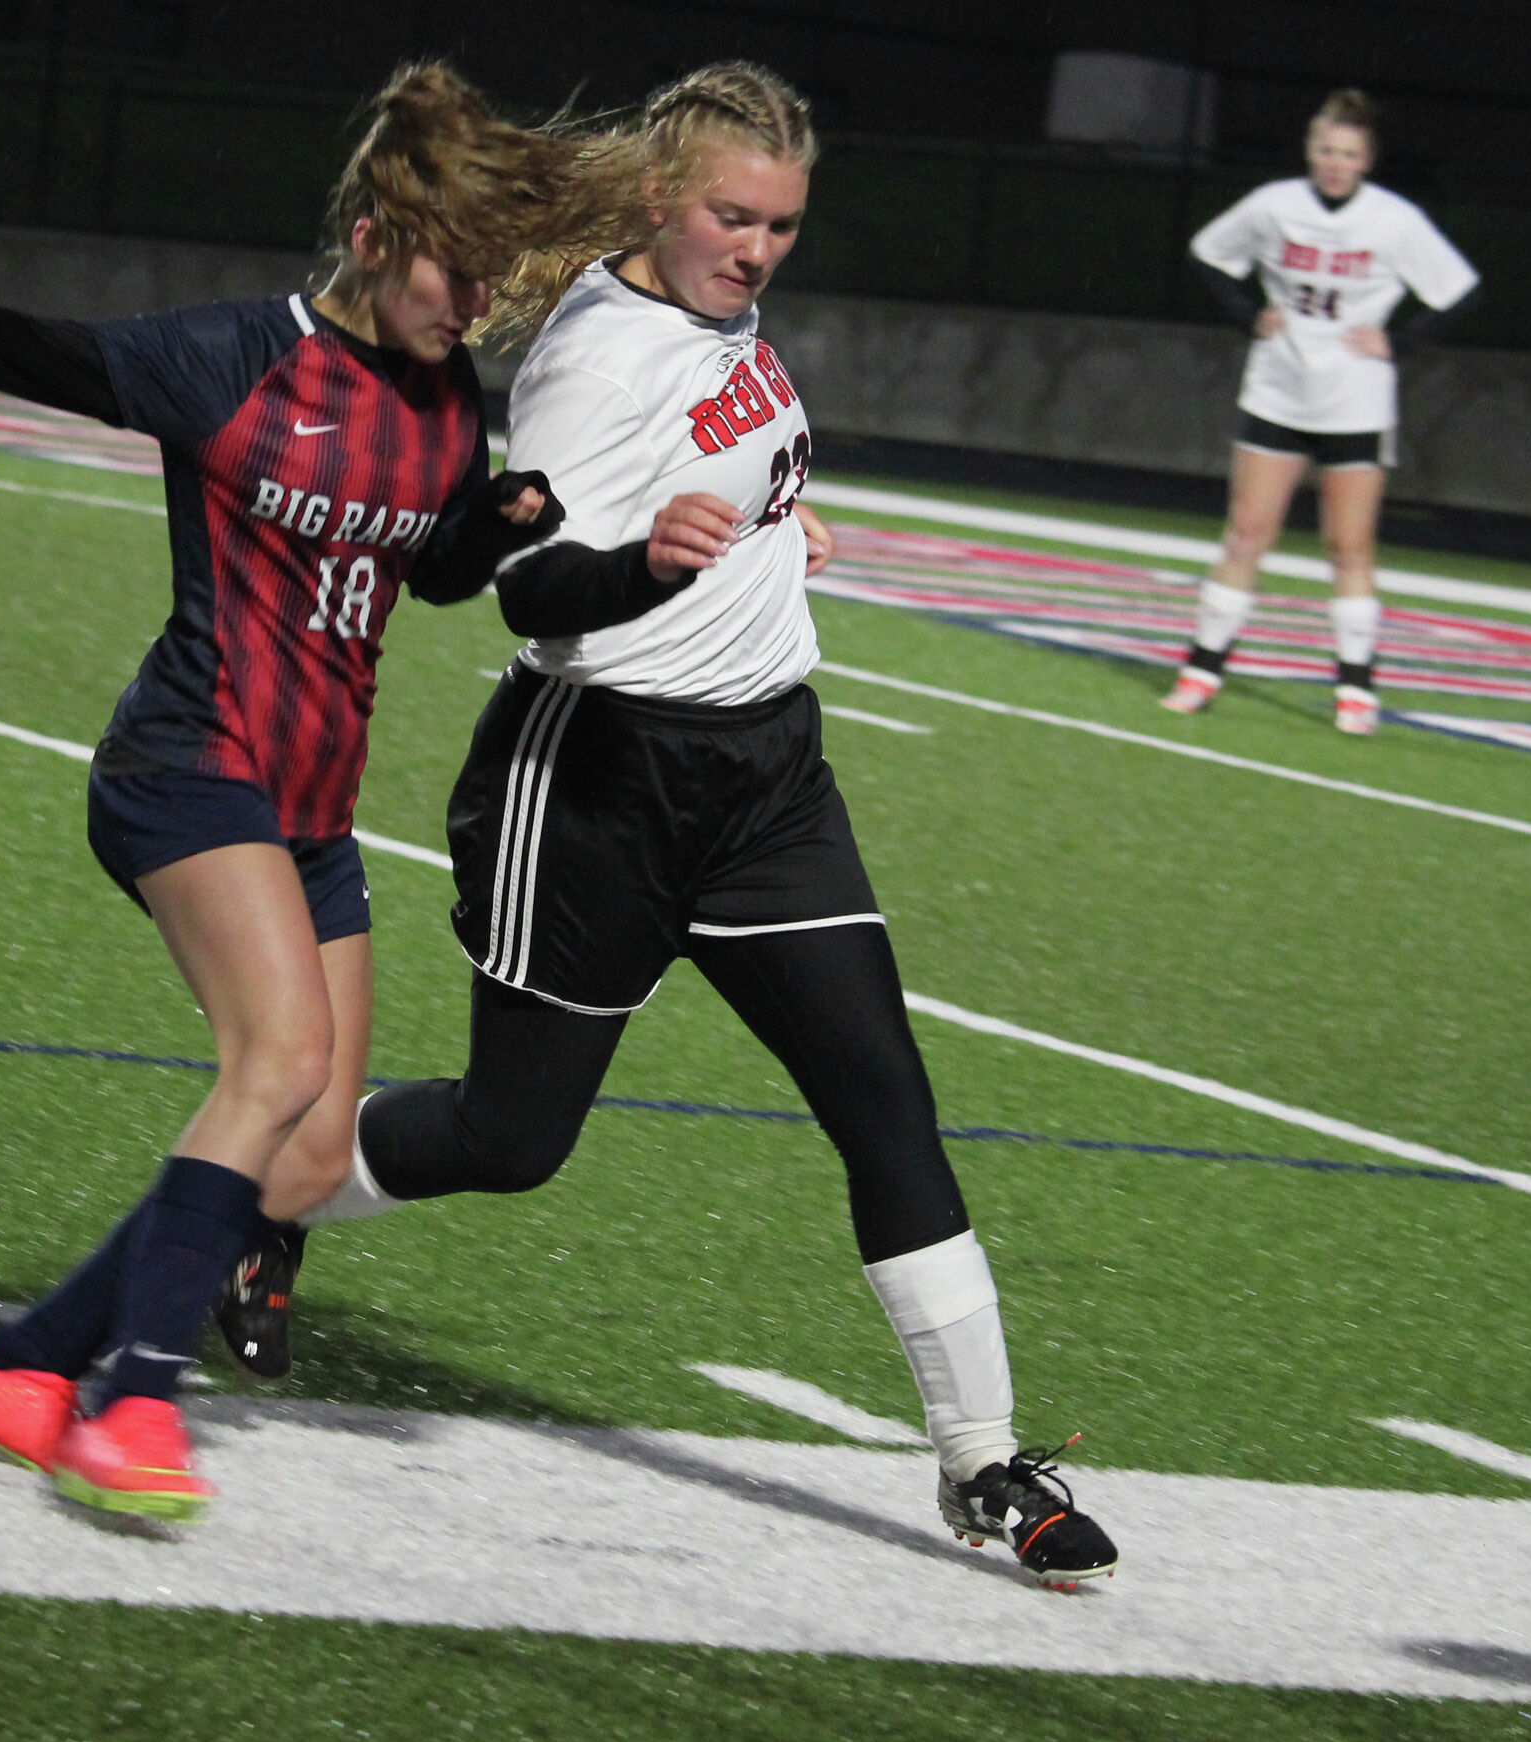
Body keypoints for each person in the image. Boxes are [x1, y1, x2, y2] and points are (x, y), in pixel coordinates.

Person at [259, 61, 1119, 1589]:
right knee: (512, 1140)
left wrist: (781, 521)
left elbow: (720, 461)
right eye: (735, 215)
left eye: (783, 224)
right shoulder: (599, 355)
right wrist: (655, 567)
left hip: (769, 781)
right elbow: (530, 594)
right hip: (598, 784)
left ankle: (986, 1464)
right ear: (665, 197)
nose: (760, 247)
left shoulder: (718, 312)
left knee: (884, 1097)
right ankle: (266, 1193)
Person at [0, 62, 651, 1519]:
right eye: (452, 267)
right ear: (372, 234)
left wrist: (490, 527)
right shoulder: (238, 355)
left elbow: (427, 573)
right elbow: (76, 360)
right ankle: (136, 1396)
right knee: (281, 1058)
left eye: (492, 277)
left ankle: (31, 1356)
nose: (471, 300)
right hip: (187, 766)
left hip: (312, 807)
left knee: (302, 1153)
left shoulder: (445, 403)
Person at [1161, 88, 1479, 734]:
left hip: (1354, 399)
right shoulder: (1274, 204)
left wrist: (1401, 342)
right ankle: (1201, 671)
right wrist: (1248, 315)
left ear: (1367, 160)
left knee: (1349, 545)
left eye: (1349, 153)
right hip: (1278, 389)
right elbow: (1208, 254)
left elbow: (1458, 289)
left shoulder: (1395, 220)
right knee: (1247, 533)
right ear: (1310, 151)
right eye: (1326, 150)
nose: (1336, 163)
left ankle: (1357, 689)